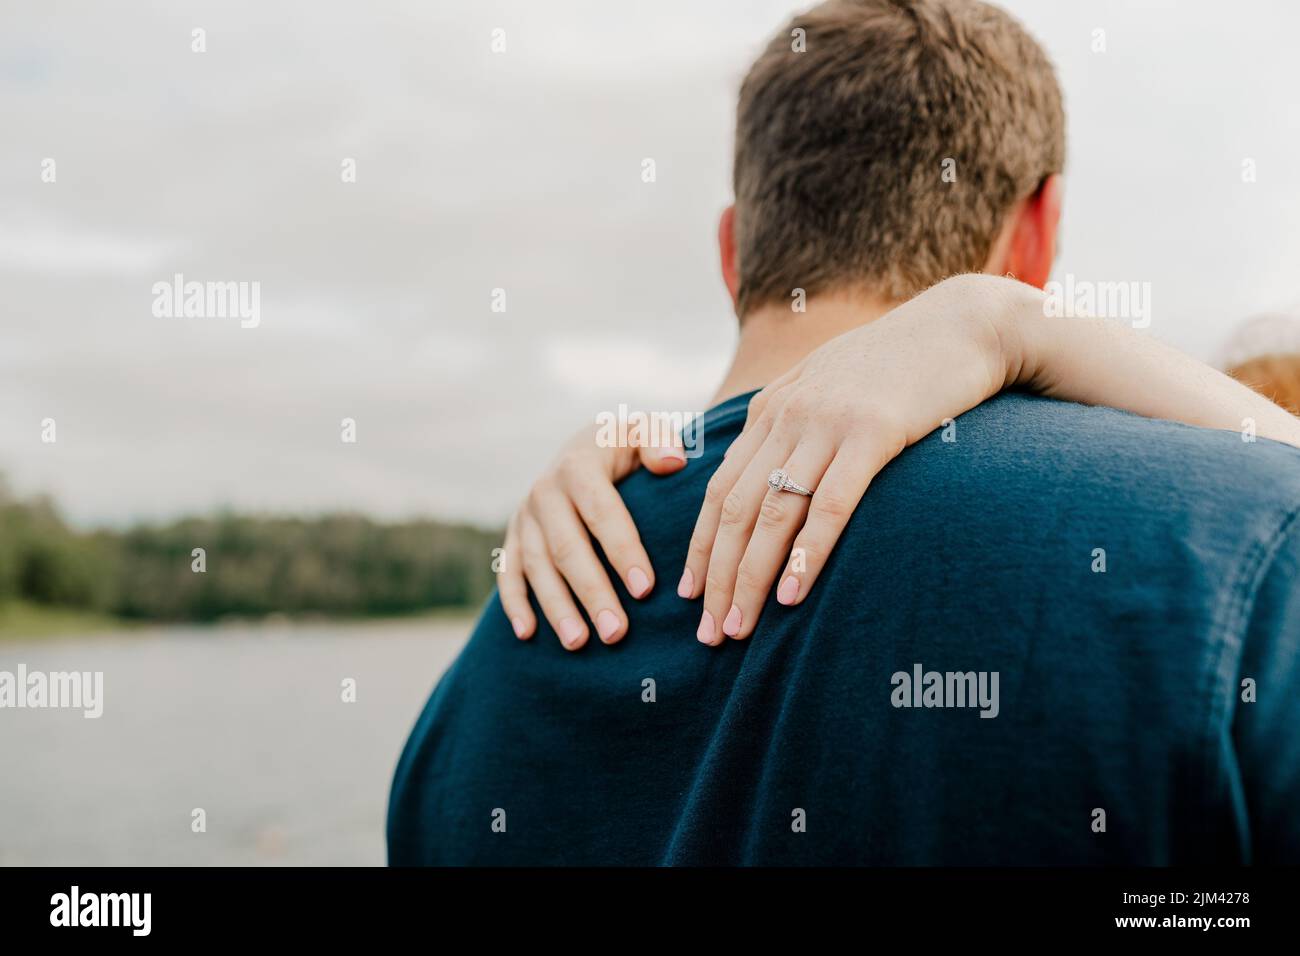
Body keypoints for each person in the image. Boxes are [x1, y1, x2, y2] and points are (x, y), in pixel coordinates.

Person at [389, 0, 1300, 864]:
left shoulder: (483, 675)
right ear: (1038, 232)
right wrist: (1021, 325)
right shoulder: (1241, 556)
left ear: (735, 250)